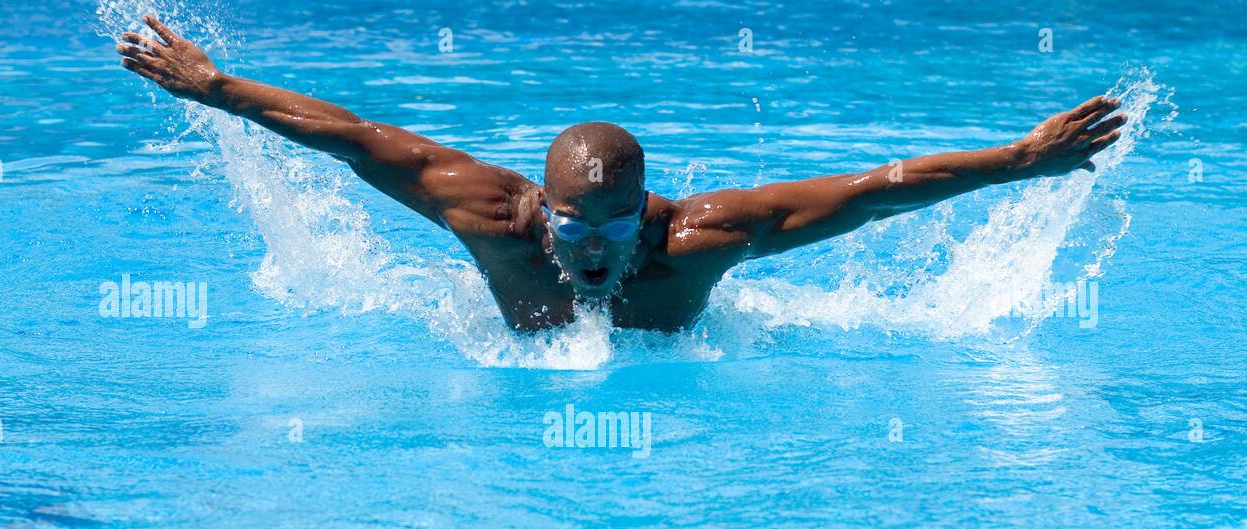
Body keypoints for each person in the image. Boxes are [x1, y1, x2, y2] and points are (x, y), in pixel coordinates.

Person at [118, 15, 1126, 333]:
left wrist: (1019, 161)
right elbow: (351, 135)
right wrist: (216, 87)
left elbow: (876, 189)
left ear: (648, 215)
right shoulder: (491, 215)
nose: (590, 253)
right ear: (542, 209)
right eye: (572, 229)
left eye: (611, 230)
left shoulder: (704, 237)